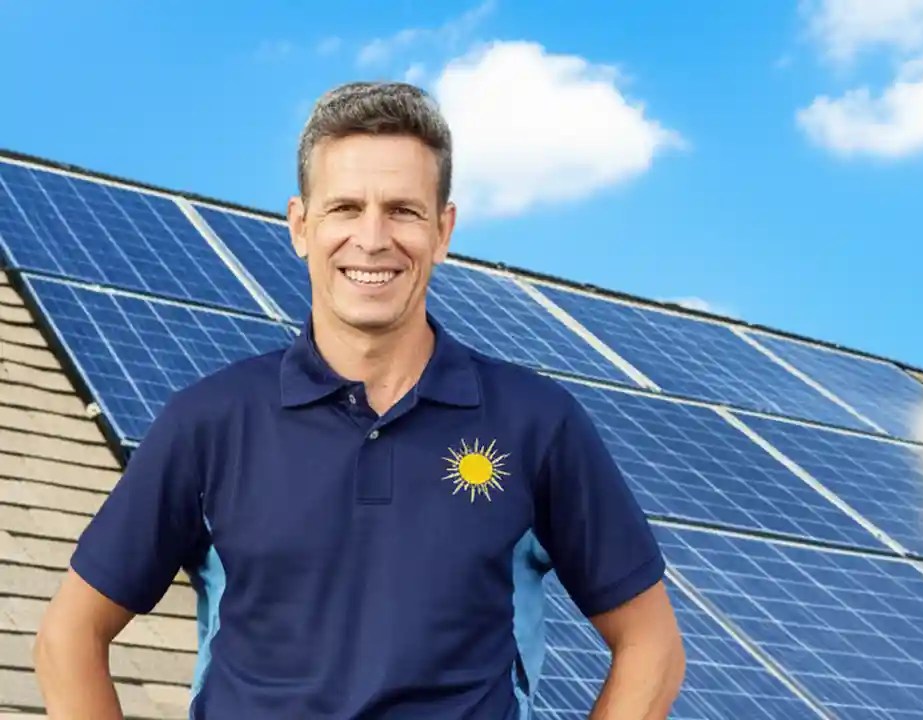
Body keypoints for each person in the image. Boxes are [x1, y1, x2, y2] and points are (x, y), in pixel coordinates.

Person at [34, 81, 686, 719]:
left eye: (402, 210)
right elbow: (69, 638)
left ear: (443, 230)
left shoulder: (538, 424)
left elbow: (651, 643)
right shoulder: (209, 424)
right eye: (345, 208)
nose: (372, 239)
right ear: (300, 226)